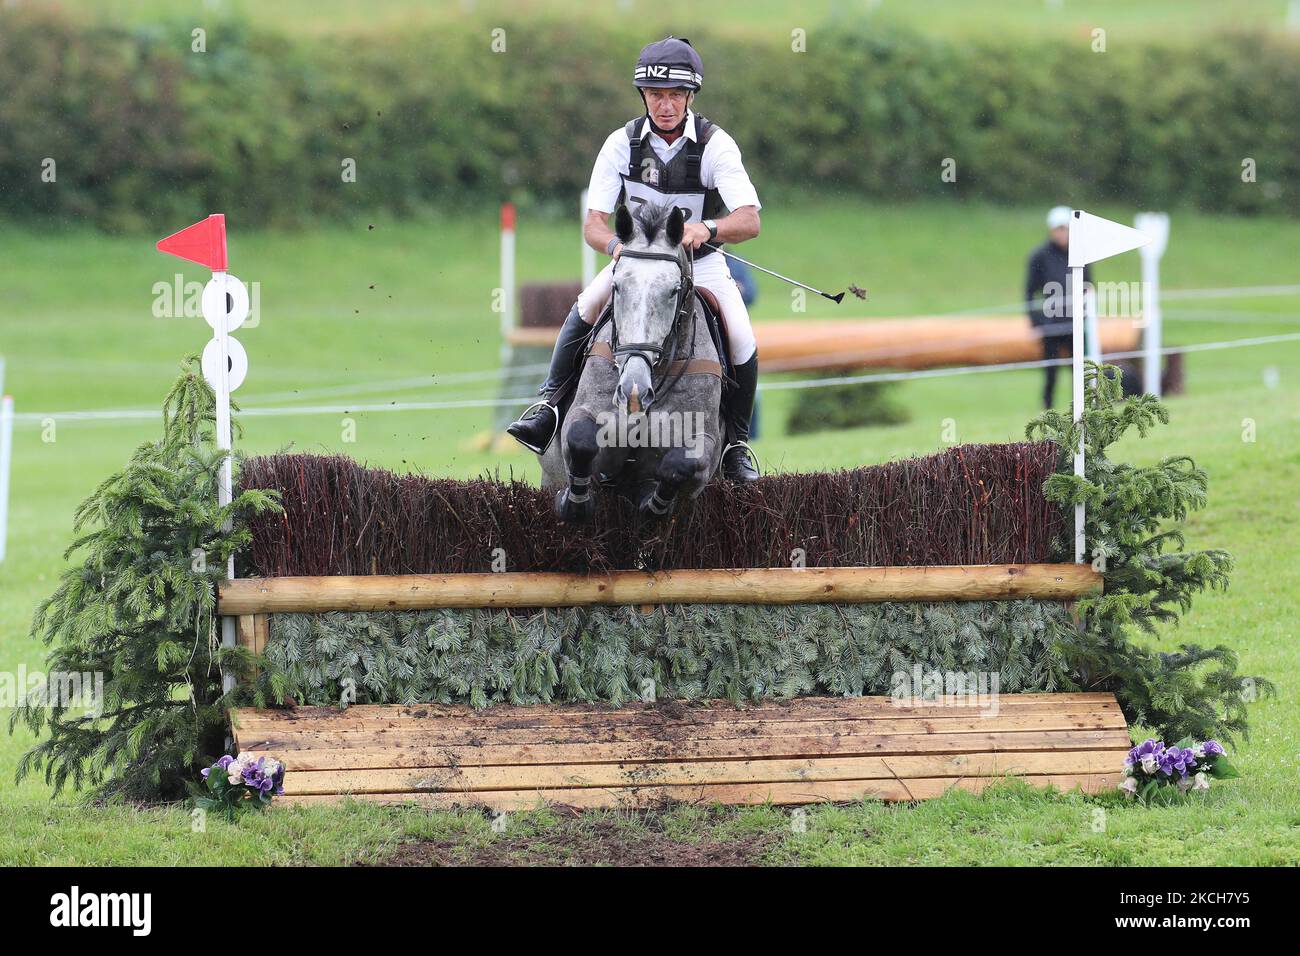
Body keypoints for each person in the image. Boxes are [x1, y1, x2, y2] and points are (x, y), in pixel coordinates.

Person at [506, 36, 762, 482]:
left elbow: (750, 220)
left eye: (676, 95)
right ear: (644, 95)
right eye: (656, 95)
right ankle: (547, 406)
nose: (666, 105)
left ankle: (735, 445)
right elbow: (594, 224)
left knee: (741, 336)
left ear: (690, 97)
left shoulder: (715, 145)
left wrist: (708, 228)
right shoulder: (621, 142)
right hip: (637, 262)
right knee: (586, 305)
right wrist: (616, 248)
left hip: (697, 264)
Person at [1025, 206, 1092, 409]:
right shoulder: (1039, 256)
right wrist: (1036, 321)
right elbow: (1029, 292)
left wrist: (1086, 317)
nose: (1061, 233)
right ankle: (1048, 409)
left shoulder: (1081, 254)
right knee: (1050, 372)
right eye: (1058, 229)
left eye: (1065, 229)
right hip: (1051, 325)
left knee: (1079, 370)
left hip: (1076, 324)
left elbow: (1088, 287)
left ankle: (1079, 409)